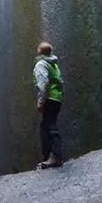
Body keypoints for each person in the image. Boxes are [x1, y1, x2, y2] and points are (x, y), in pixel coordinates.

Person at [33, 41, 64, 169]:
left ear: (39, 52)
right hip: (57, 98)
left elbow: (43, 84)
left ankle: (55, 157)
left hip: (49, 99)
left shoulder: (41, 64)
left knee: (50, 127)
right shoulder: (54, 65)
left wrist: (41, 101)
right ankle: (48, 157)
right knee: (45, 126)